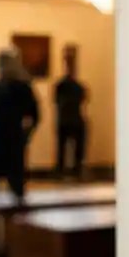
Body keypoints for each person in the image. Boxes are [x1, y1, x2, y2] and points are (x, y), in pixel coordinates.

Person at [0, 48, 38, 199]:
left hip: (13, 142)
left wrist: (25, 135)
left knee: (17, 189)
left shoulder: (22, 87)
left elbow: (34, 115)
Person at [53, 45, 88, 179]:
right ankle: (63, 170)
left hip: (73, 118)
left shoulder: (77, 86)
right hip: (65, 118)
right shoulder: (61, 85)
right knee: (61, 147)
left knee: (77, 146)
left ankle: (76, 169)